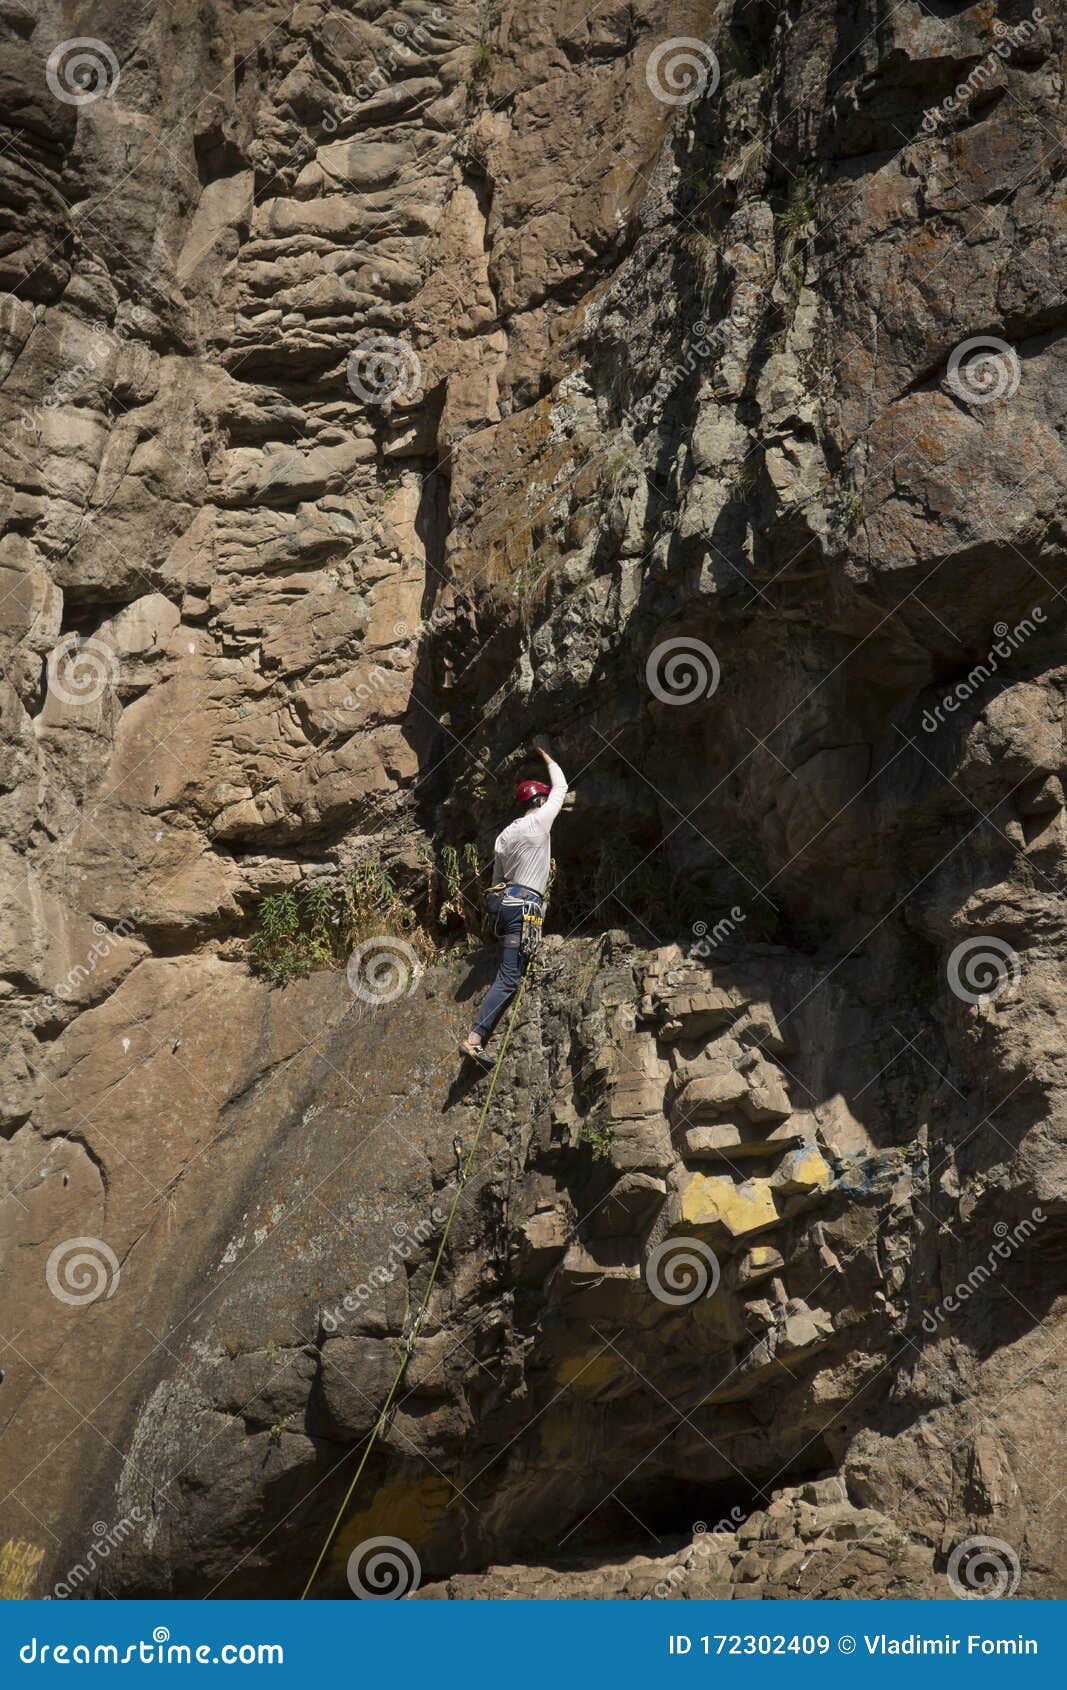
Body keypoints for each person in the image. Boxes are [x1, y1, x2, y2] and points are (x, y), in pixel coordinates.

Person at [460, 741, 568, 1063]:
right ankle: (475, 1038)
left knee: (511, 959)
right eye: (545, 798)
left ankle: (477, 1036)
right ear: (540, 799)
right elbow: (562, 785)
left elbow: (496, 881)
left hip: (505, 904)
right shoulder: (541, 820)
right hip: (525, 908)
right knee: (509, 977)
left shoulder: (505, 834)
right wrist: (546, 754)